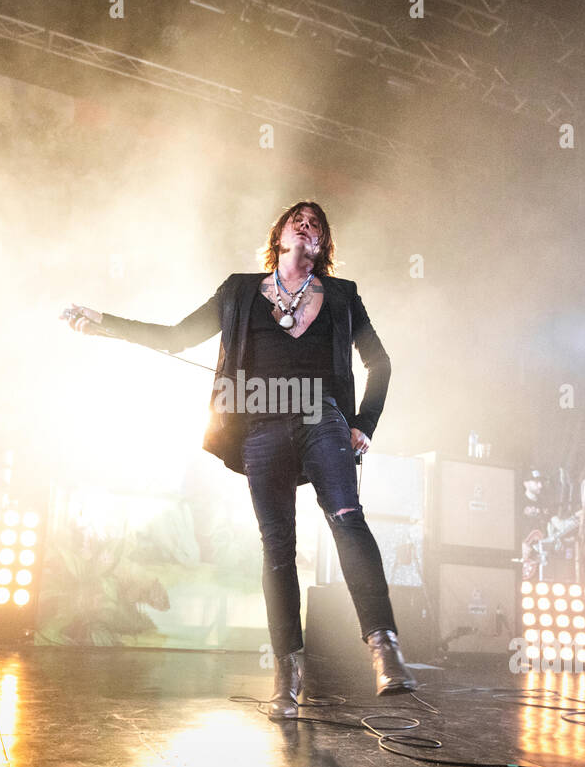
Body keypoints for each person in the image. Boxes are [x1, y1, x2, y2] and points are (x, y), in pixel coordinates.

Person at [63, 201, 416, 719]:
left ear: (323, 246)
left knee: (347, 517)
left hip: (322, 415)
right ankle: (287, 674)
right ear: (279, 236)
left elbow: (378, 362)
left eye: (317, 223)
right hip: (260, 422)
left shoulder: (342, 296)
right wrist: (106, 323)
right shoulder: (238, 290)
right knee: (278, 545)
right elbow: (175, 336)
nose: (308, 224)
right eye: (299, 218)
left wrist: (365, 422)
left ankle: (385, 649)